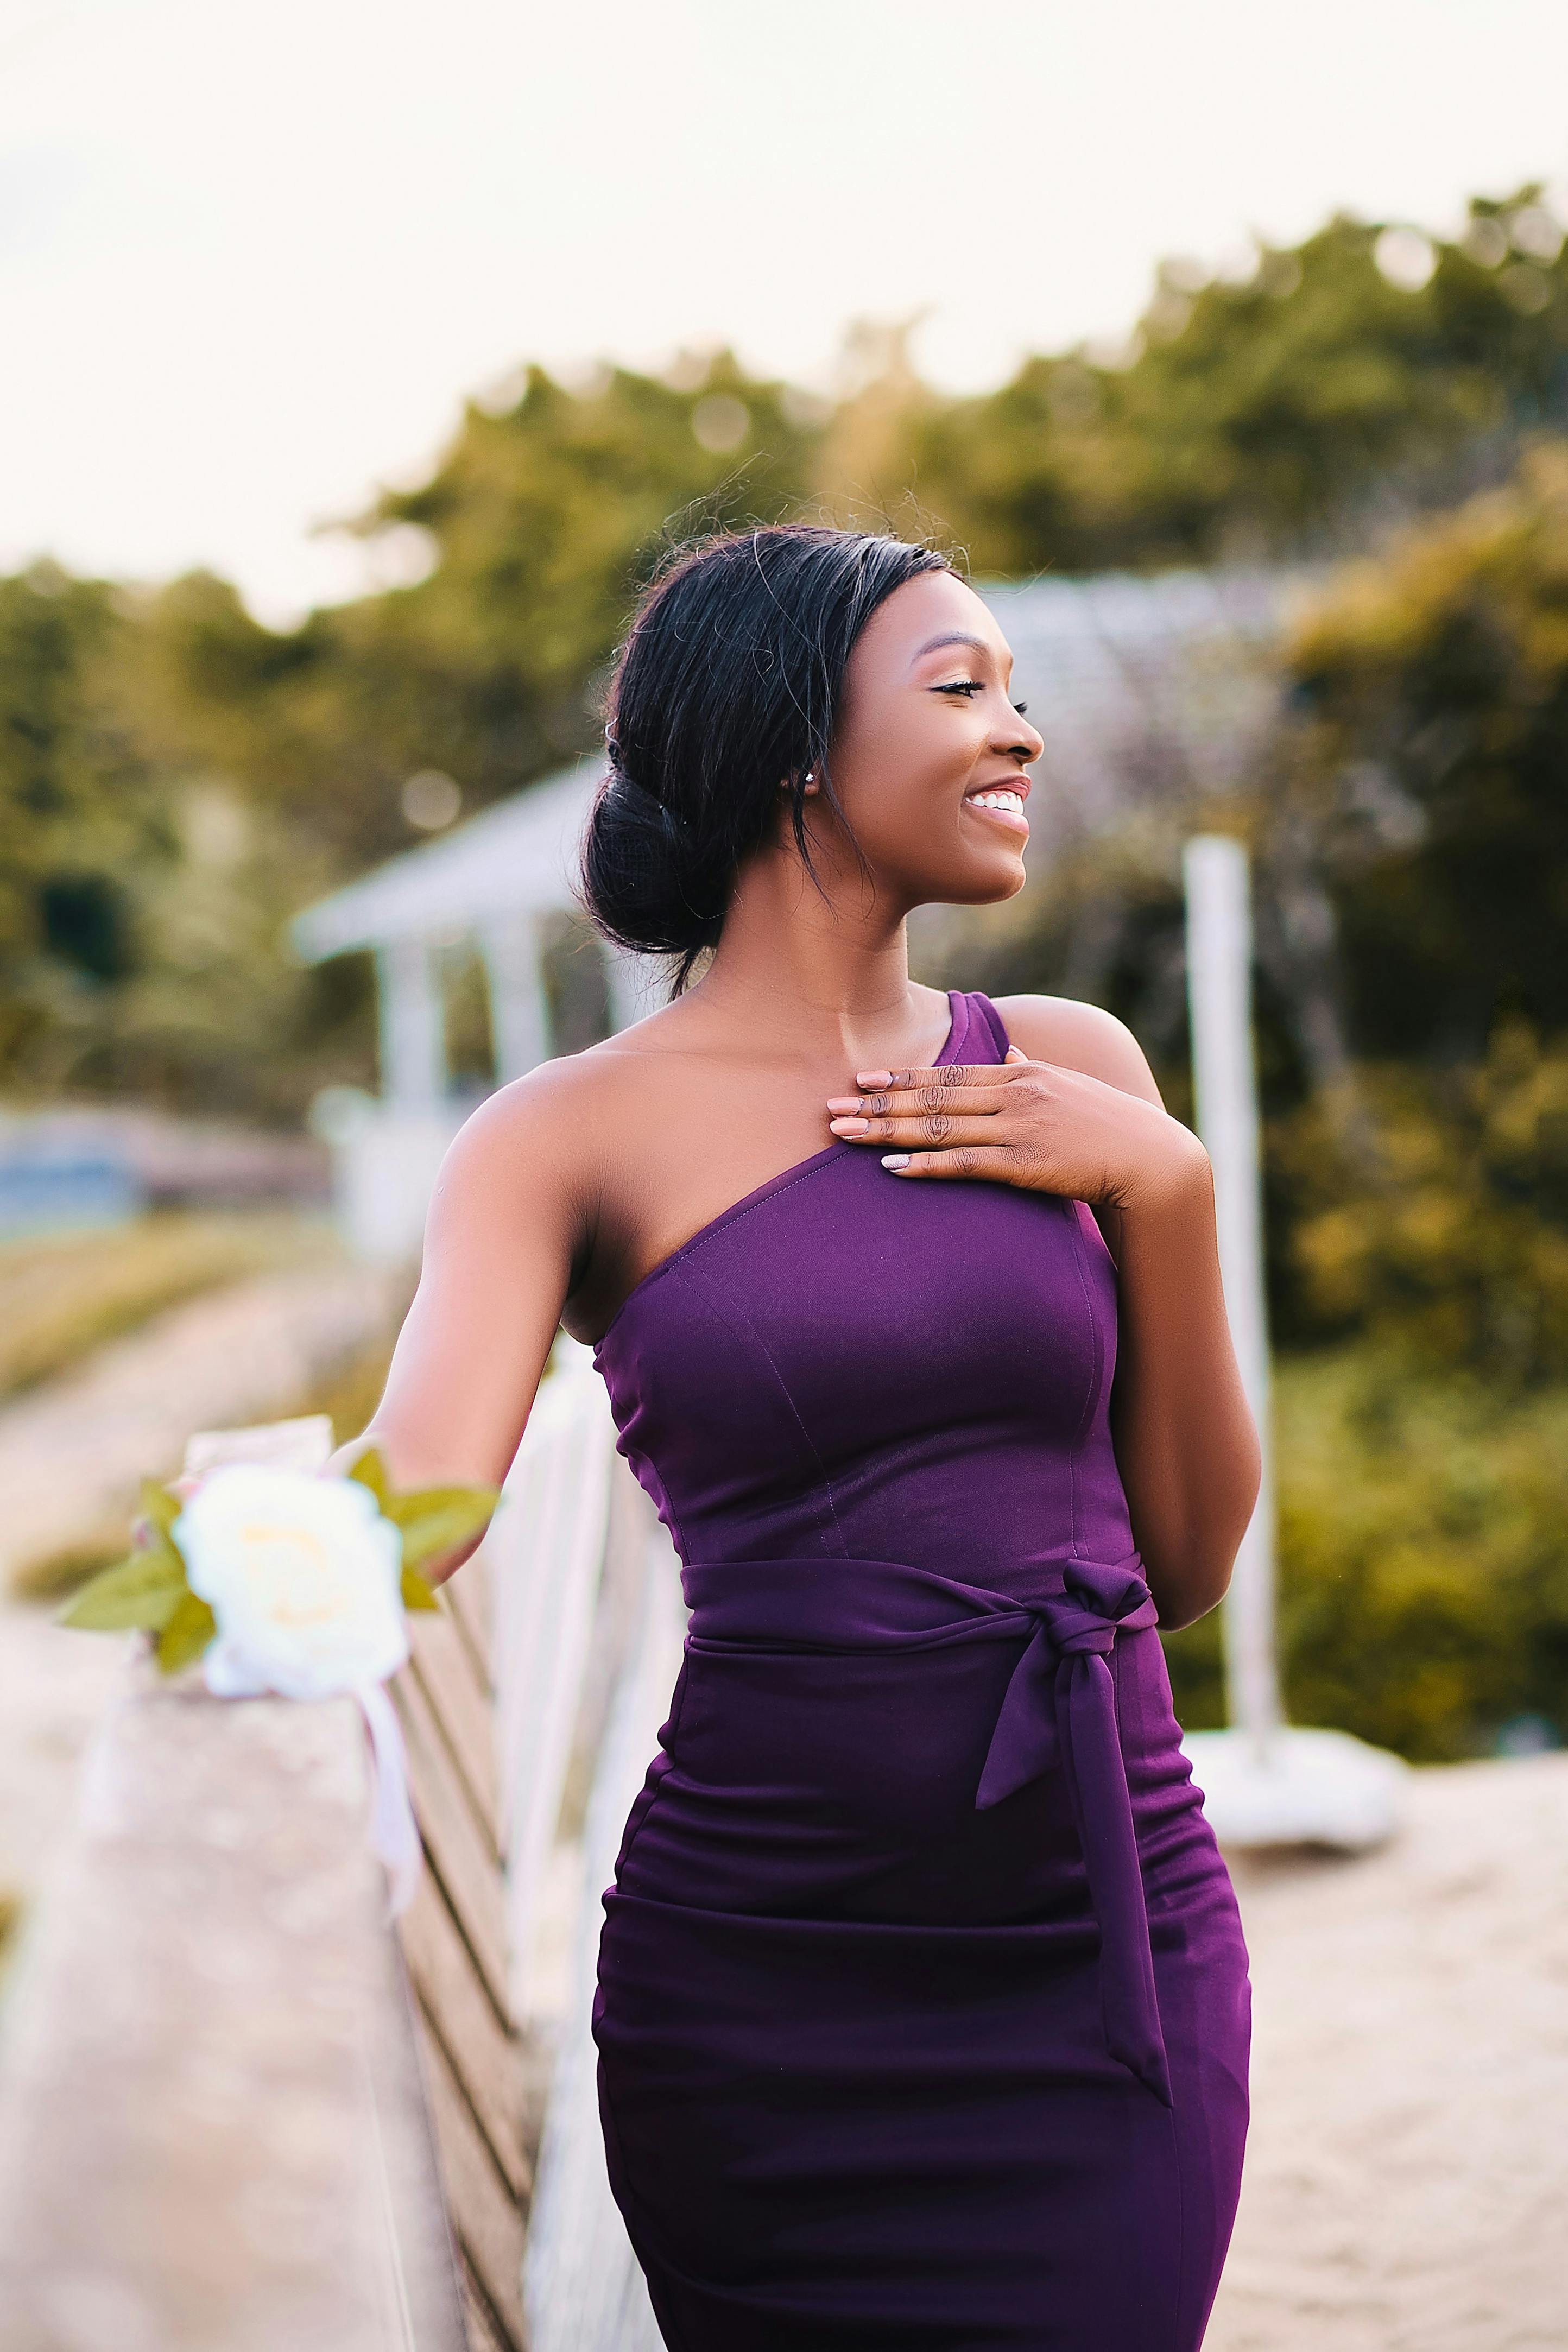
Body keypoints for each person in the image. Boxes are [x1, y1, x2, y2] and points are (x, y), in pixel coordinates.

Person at [351, 525, 1259, 2350]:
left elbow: (1186, 1567)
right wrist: (224, 1586)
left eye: (1018, 692)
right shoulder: (556, 1137)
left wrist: (1164, 1188)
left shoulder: (1077, 1063)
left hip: (1105, 1948)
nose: (1018, 734)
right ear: (789, 746)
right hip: (762, 1981)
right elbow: (405, 1509)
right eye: (959, 689)